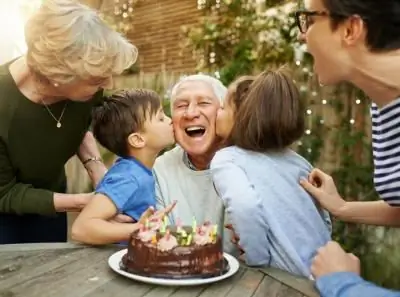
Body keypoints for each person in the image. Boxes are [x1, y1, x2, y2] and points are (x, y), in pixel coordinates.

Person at [0, 0, 138, 244]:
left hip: (53, 208)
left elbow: (78, 127)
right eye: (97, 79)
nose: (108, 85)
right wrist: (83, 202)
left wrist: (97, 170)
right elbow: (5, 193)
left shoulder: (85, 89)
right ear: (56, 75)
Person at [295, 0, 400, 295]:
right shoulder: (384, 105)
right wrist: (342, 208)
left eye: (310, 20)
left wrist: (341, 283)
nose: (303, 35)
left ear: (351, 29)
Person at [210, 70, 331, 277]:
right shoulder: (299, 162)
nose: (216, 114)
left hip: (285, 280)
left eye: (222, 107)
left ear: (241, 115)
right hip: (326, 275)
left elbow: (245, 207)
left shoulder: (227, 159)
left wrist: (256, 260)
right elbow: (324, 220)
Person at [71, 89, 176, 245]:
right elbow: (81, 229)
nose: (170, 120)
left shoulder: (137, 170)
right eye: (161, 118)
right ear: (138, 140)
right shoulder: (128, 177)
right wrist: (139, 229)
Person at [153, 74, 237, 254]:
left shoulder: (246, 164)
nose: (191, 113)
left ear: (222, 112)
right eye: (181, 105)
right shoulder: (160, 169)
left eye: (204, 103)